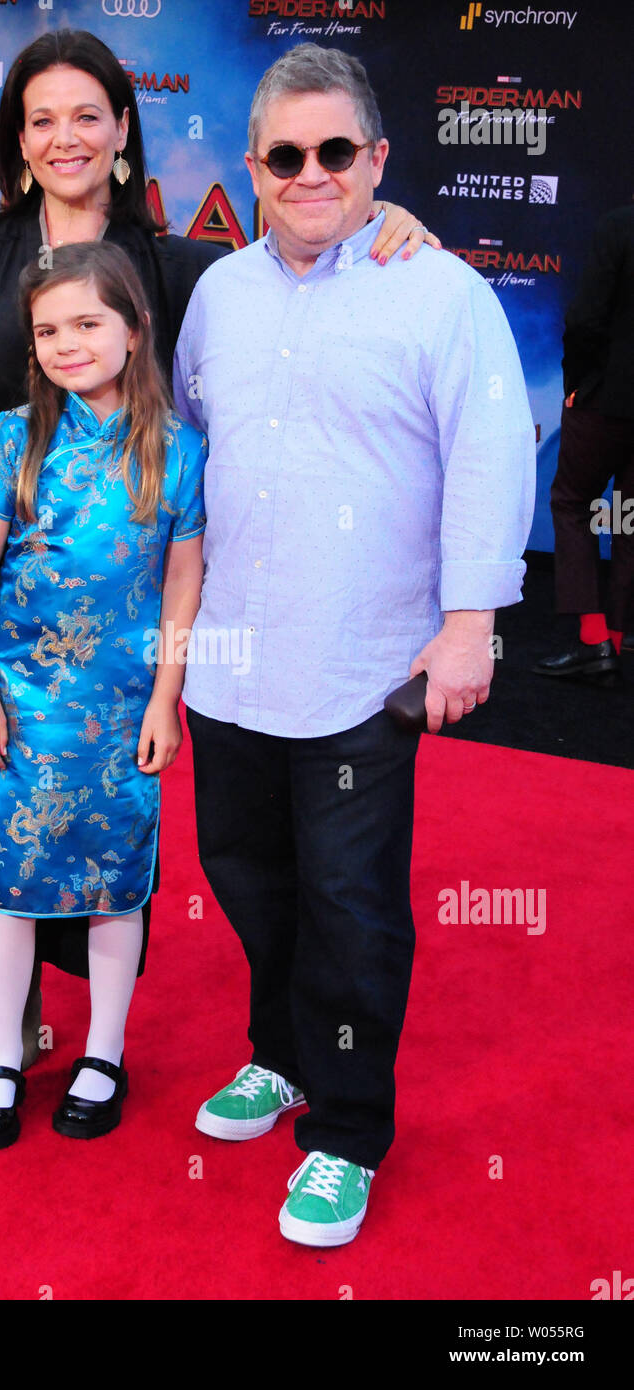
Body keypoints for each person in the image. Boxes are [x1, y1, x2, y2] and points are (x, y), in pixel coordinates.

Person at [0, 28, 434, 1075]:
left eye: (85, 116)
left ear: (121, 131)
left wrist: (378, 220)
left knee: (73, 793)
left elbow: (294, 254)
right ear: (16, 144)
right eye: (40, 120)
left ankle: (13, 997)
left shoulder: (178, 266)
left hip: (106, 590)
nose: (63, 138)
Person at [173, 43, 535, 1246]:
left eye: (337, 150)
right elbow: (186, 444)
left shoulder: (439, 292)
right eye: (287, 154)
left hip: (363, 671)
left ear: (377, 159)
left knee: (351, 905)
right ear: (255, 169)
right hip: (229, 663)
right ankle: (278, 1055)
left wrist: (469, 623)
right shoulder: (218, 292)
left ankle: (344, 1130)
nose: (312, 172)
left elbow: (491, 458)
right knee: (243, 873)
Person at [0, 241, 206, 1145]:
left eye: (88, 323)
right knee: (5, 888)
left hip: (121, 716)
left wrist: (165, 698)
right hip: (18, 712)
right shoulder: (15, 437)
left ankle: (103, 1051)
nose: (67, 344)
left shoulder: (178, 452)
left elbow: (183, 585)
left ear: (134, 331)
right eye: (47, 330)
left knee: (115, 890)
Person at [534, 202, 634, 686]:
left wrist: (578, 380)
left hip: (606, 397)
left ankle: (594, 642)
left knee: (573, 504)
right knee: (629, 518)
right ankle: (615, 640)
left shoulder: (620, 223)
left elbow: (587, 317)